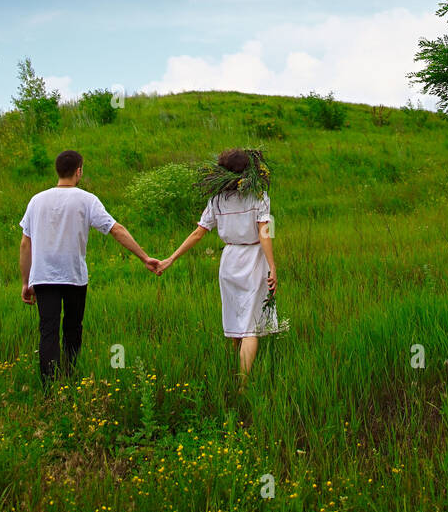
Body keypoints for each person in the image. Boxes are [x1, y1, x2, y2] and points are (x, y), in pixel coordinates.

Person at [19, 149, 160, 387]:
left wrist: (26, 281)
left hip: (43, 277)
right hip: (74, 277)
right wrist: (144, 257)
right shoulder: (86, 199)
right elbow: (116, 229)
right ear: (78, 171)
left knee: (48, 331)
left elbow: (25, 243)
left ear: (58, 171)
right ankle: (70, 377)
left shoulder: (37, 200)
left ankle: (49, 388)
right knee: (73, 328)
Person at [158, 148, 278, 378]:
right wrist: (272, 266)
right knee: (250, 327)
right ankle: (243, 384)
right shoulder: (259, 196)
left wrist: (171, 258)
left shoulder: (217, 200)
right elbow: (265, 231)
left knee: (234, 318)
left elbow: (198, 233)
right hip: (253, 259)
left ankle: (234, 369)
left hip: (229, 260)